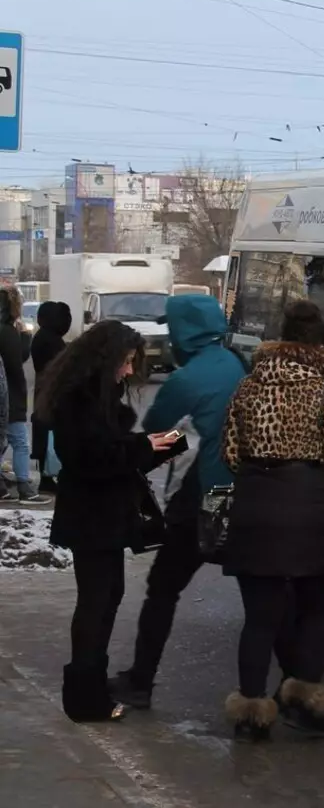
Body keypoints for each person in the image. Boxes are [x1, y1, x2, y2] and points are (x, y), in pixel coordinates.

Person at [221, 300, 324, 741]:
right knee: (318, 606)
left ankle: (251, 714)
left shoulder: (248, 385)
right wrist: (309, 484)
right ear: (320, 341)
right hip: (306, 509)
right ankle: (303, 702)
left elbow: (231, 452)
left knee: (260, 616)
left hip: (253, 507)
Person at [108, 295, 247, 709]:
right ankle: (293, 689)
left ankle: (140, 681)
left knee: (163, 588)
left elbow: (153, 431)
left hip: (201, 495)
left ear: (184, 333)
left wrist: (181, 439)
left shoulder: (186, 380)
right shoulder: (235, 363)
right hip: (240, 491)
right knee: (259, 590)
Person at [41, 321, 181, 723]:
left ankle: (91, 688)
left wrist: (172, 442)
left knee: (107, 596)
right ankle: (85, 696)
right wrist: (143, 445)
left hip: (100, 515)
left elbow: (117, 453)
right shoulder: (79, 400)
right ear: (104, 361)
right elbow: (95, 458)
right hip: (91, 516)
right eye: (124, 362)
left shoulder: (93, 396)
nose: (127, 371)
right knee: (96, 601)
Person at [0, 286, 47, 505]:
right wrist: (26, 337)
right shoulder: (8, 331)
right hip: (9, 397)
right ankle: (25, 489)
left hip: (6, 395)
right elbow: (16, 360)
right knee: (20, 442)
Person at [30, 300, 72, 495]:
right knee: (51, 436)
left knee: (44, 435)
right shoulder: (52, 341)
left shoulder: (43, 336)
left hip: (44, 393)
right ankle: (48, 477)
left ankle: (47, 476)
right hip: (51, 395)